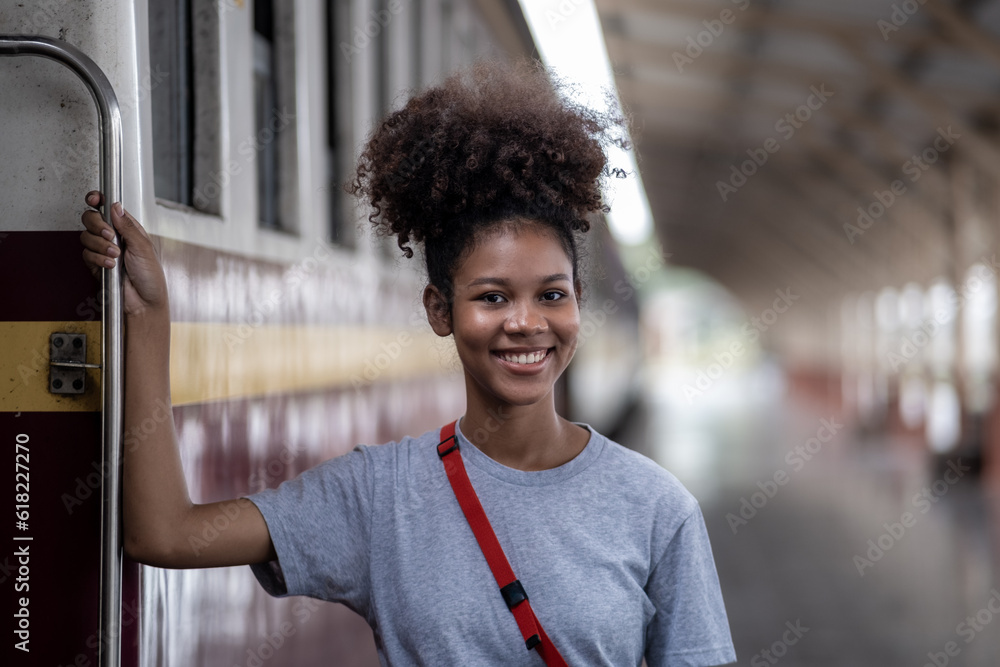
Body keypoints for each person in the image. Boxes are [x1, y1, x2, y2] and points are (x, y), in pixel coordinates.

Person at [79, 60, 736, 666]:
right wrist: (148, 319)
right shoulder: (379, 495)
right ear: (439, 309)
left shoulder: (657, 509)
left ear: (578, 305)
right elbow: (164, 533)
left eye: (551, 295)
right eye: (492, 297)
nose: (526, 322)